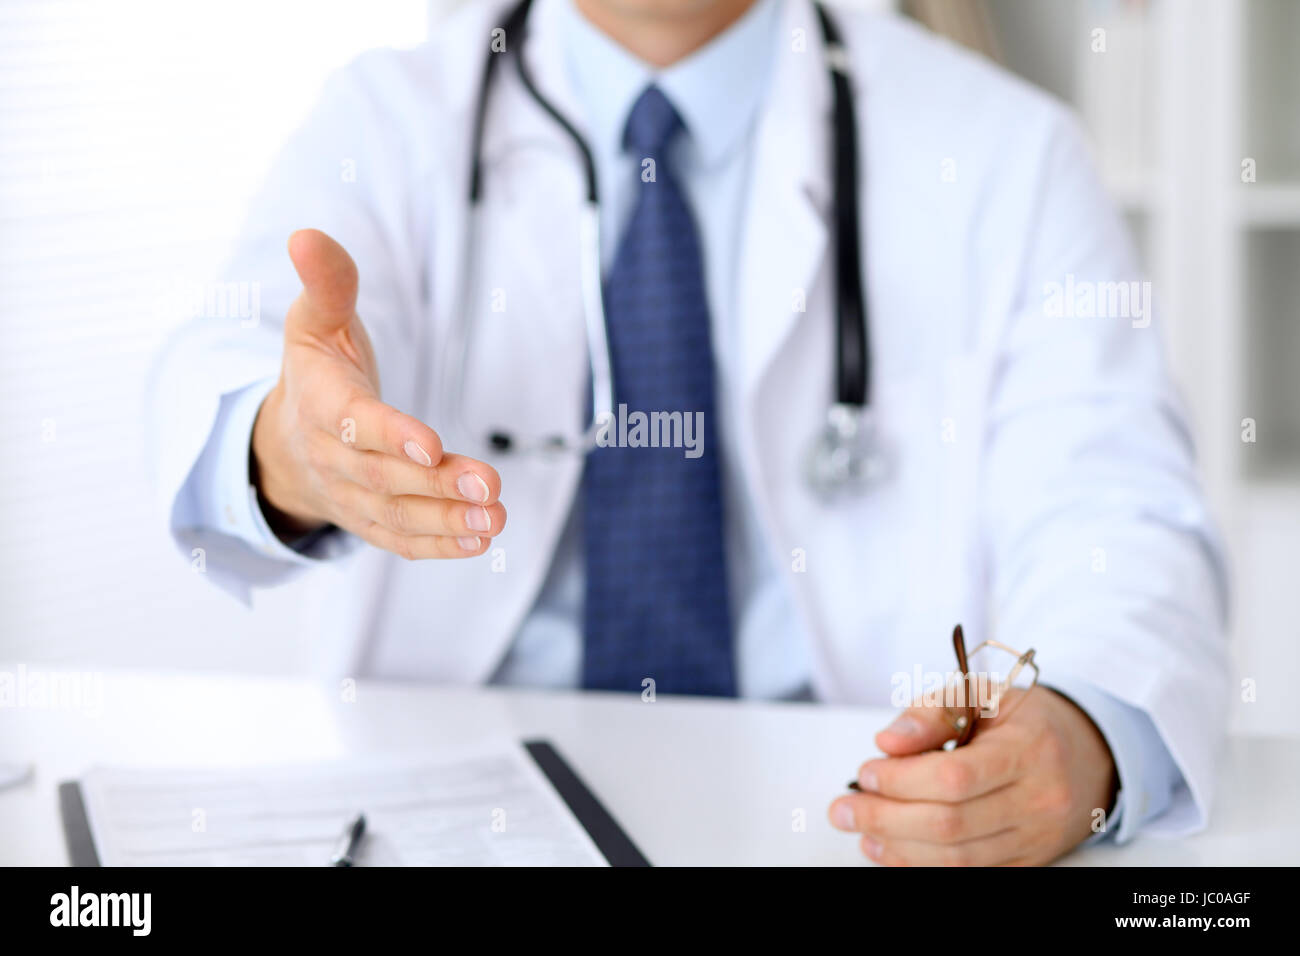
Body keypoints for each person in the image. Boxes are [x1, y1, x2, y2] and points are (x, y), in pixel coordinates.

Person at [151, 0, 1228, 865]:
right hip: (454, 809)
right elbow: (228, 372)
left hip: (847, 812)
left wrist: (1087, 727)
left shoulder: (1003, 148)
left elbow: (1116, 506)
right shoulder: (385, 119)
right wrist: (290, 451)